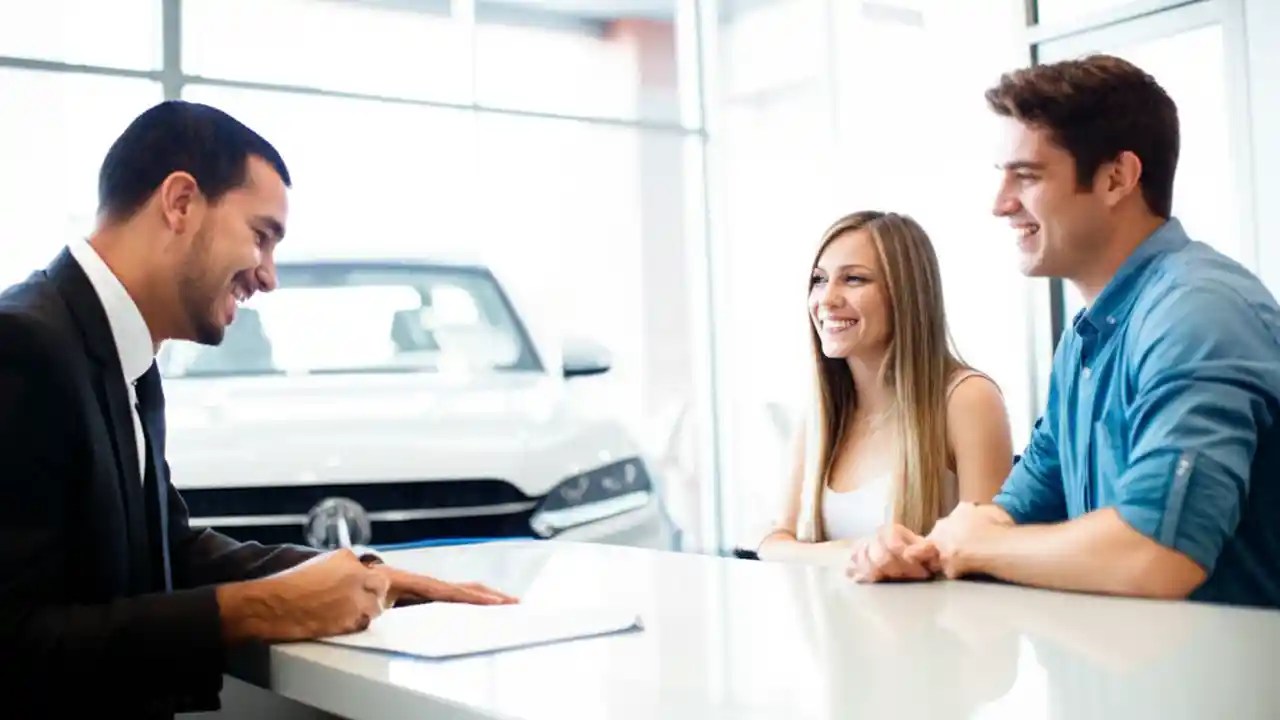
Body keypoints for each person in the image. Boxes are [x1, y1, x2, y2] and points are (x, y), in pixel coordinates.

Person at [0, 100, 518, 717]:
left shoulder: (119, 353)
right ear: (182, 202)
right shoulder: (23, 347)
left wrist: (360, 573)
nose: (268, 276)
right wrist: (262, 609)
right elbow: (13, 643)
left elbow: (168, 552)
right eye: (261, 236)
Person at [859, 55, 1280, 608]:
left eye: (1026, 176)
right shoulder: (1087, 337)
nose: (1000, 204)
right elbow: (1015, 509)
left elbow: (1155, 555)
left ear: (1116, 178)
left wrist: (975, 550)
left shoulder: (1197, 313)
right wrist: (921, 551)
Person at [757, 211, 1014, 568]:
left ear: (905, 294)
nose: (827, 298)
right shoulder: (823, 413)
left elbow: (990, 554)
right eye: (819, 280)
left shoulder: (967, 398)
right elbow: (772, 543)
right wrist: (853, 553)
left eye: (854, 279)